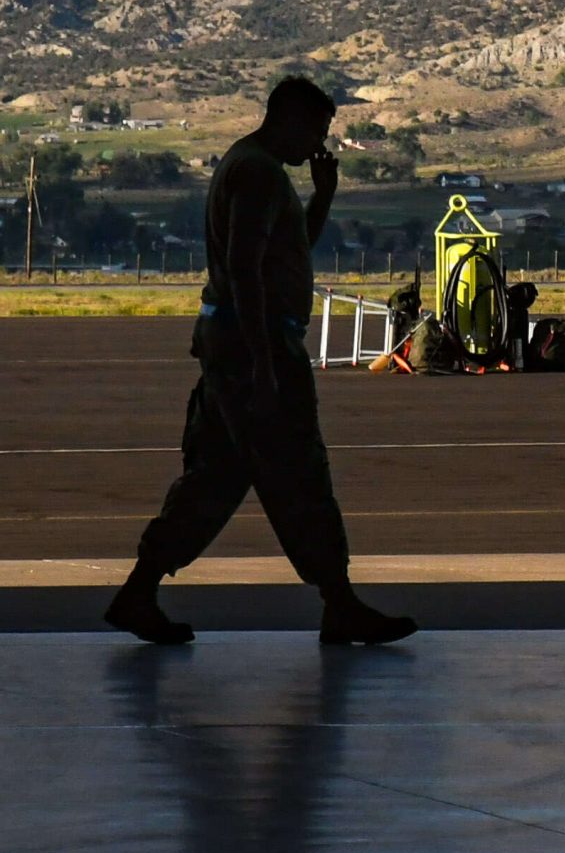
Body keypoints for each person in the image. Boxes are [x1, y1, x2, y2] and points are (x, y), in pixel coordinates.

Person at [108, 77, 415, 648]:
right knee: (299, 471)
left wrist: (322, 195)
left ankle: (138, 590)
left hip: (239, 346)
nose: (317, 145)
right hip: (257, 347)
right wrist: (266, 365)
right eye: (317, 131)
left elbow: (288, 246)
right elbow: (245, 269)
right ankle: (339, 602)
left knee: (217, 476)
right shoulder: (256, 172)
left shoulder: (255, 169)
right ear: (290, 120)